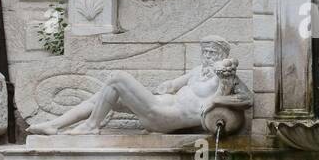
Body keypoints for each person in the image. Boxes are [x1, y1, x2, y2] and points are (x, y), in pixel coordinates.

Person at [27, 36, 252, 135]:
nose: (208, 56)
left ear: (223, 55)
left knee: (117, 78)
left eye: (213, 52)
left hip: (164, 115)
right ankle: (54, 125)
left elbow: (248, 99)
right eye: (205, 52)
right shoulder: (195, 72)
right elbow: (173, 85)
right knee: (106, 95)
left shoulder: (225, 77)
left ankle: (91, 126)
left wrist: (216, 99)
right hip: (160, 104)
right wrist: (168, 85)